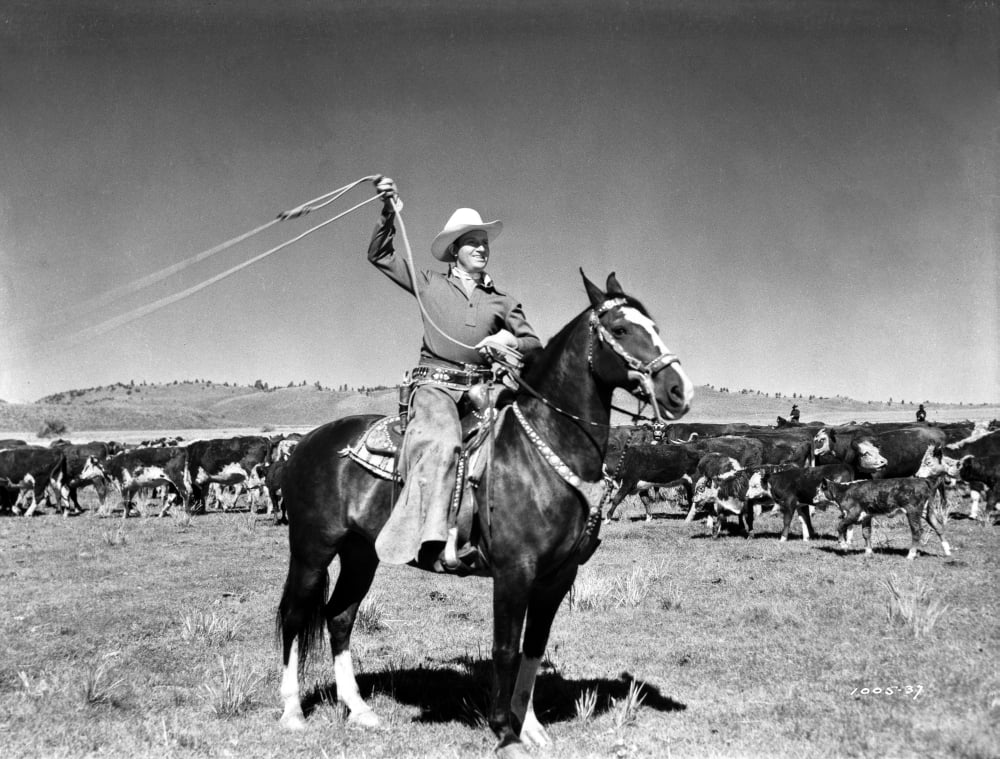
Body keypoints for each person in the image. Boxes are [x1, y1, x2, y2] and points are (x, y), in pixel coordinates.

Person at [366, 176, 542, 571]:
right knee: (444, 443)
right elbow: (380, 255)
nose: (481, 247)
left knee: (526, 443)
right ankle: (434, 542)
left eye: (484, 242)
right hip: (436, 388)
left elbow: (534, 345)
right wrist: (387, 211)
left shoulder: (502, 301)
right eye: (472, 242)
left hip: (487, 389)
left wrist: (507, 341)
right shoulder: (429, 284)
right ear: (453, 251)